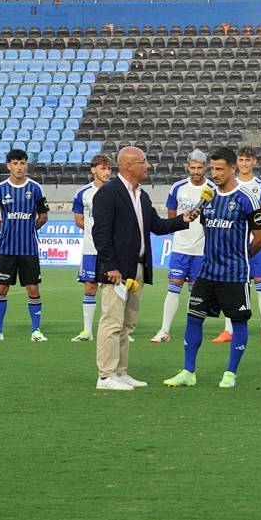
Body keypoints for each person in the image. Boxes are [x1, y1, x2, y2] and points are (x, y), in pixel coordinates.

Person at [91, 146, 193, 391]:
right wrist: (110, 266)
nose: (147, 166)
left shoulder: (142, 195)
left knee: (127, 324)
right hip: (117, 271)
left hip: (137, 267)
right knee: (112, 322)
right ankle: (105, 376)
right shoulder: (108, 193)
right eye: (143, 162)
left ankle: (120, 371)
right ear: (128, 166)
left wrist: (183, 219)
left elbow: (156, 225)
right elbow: (100, 233)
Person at [164, 147, 261, 389]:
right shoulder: (207, 197)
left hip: (234, 274)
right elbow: (204, 226)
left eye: (220, 169)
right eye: (213, 169)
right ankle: (188, 371)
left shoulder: (246, 199)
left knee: (238, 322)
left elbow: (260, 238)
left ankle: (230, 373)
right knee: (193, 318)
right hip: (207, 272)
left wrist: (241, 257)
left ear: (233, 168)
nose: (215, 174)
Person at [0, 148, 50, 342]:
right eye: (15, 163)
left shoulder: (35, 188)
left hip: (29, 249)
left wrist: (30, 229)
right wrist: (7, 228)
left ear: (26, 165)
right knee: (1, 289)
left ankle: (36, 331)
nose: (19, 167)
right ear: (8, 166)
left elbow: (43, 216)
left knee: (33, 289)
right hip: (6, 249)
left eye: (22, 163)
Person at [210, 146, 261, 344]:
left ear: (254, 161)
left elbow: (260, 215)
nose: (244, 163)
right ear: (236, 163)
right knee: (231, 285)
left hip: (255, 242)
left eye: (248, 159)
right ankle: (228, 330)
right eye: (241, 160)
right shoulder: (227, 184)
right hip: (232, 245)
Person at [150, 149, 214, 343]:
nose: (196, 171)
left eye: (199, 168)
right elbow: (172, 218)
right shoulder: (178, 188)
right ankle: (164, 330)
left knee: (195, 293)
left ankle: (191, 330)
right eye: (193, 167)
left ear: (205, 167)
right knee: (174, 287)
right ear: (188, 167)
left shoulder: (213, 189)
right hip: (180, 248)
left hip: (201, 250)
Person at [70, 153, 113, 342]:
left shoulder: (117, 191)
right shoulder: (82, 193)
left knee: (113, 289)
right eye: (103, 168)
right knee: (90, 287)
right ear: (93, 169)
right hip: (90, 249)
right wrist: (96, 232)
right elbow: (79, 220)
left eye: (109, 168)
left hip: (112, 250)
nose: (107, 172)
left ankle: (116, 329)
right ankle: (87, 331)